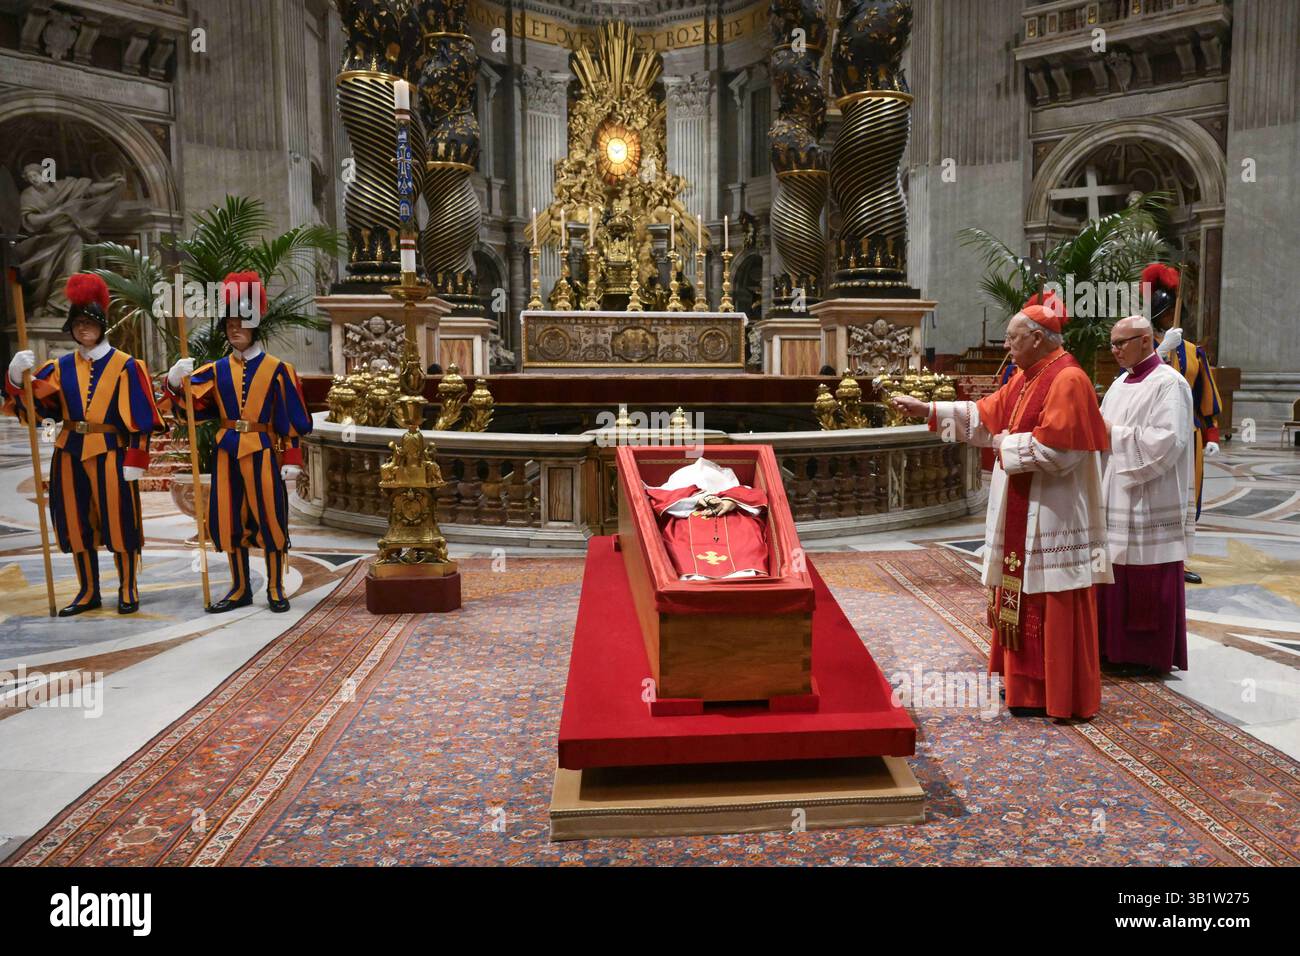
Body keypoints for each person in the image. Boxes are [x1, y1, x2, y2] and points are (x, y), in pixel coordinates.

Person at [892, 304, 1111, 719]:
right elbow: (984, 416)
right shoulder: (1029, 378)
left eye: (1012, 337)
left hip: (1053, 512)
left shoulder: (1068, 379)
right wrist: (930, 412)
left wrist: (1004, 445)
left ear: (1038, 338)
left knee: (1051, 596)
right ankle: (1024, 687)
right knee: (1023, 592)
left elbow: (1060, 452)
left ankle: (1059, 692)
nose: (1007, 345)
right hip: (1025, 509)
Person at [4, 273, 163, 615]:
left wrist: (136, 457)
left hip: (112, 451)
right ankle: (88, 591)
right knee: (75, 523)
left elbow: (143, 415)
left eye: (89, 322)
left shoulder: (126, 366)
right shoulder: (59, 367)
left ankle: (127, 587)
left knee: (120, 521)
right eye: (77, 323)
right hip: (69, 452)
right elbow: (39, 411)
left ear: (102, 324)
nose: (83, 329)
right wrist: (17, 378)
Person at [165, 272, 312, 613]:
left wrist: (291, 457)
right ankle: (239, 588)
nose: (235, 329)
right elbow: (193, 408)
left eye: (241, 323)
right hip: (227, 451)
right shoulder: (214, 370)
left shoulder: (279, 369)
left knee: (270, 518)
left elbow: (292, 416)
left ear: (255, 326)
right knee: (228, 519)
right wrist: (175, 382)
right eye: (229, 323)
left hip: (263, 450)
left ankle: (275, 587)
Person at [1097, 315, 1195, 673]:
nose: (1115, 351)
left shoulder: (1170, 384)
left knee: (1144, 574)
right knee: (1114, 572)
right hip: (1116, 489)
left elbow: (1168, 440)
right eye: (1112, 344)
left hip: (1150, 496)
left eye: (1121, 343)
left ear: (1146, 340)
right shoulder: (1121, 382)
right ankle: (1111, 648)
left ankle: (1144, 655)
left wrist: (1112, 434)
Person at [1142, 262, 1222, 584]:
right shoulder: (1143, 348)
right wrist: (1159, 353)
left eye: (1173, 312)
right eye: (1165, 312)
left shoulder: (1192, 352)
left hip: (1190, 436)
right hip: (1154, 434)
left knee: (1187, 497)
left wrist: (1212, 434)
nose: (1169, 316)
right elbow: (1129, 382)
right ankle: (1151, 556)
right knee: (1158, 495)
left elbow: (1206, 395)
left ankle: (1179, 560)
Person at [644, 457, 768, 580]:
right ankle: (694, 577)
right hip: (686, 524)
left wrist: (730, 500)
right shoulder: (676, 498)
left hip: (733, 524)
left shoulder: (739, 494)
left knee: (745, 544)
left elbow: (755, 500)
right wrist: (696, 499)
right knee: (680, 550)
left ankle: (742, 574)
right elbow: (659, 499)